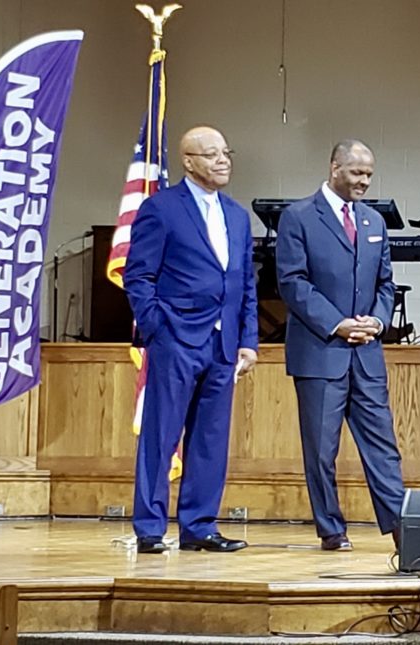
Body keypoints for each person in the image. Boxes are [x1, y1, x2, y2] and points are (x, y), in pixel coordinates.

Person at [123, 125, 258, 554]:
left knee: (210, 441)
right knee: (161, 436)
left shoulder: (236, 215)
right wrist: (157, 328)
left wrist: (248, 340)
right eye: (212, 154)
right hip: (176, 339)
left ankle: (199, 527)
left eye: (226, 152)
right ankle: (149, 528)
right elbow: (138, 275)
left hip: (223, 343)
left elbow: (244, 284)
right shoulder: (161, 208)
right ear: (188, 161)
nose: (223, 161)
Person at [275, 139, 404, 551]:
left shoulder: (374, 222)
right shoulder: (298, 217)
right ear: (335, 167)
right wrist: (337, 324)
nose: (365, 181)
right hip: (320, 352)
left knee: (383, 446)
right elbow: (292, 282)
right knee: (321, 450)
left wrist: (378, 321)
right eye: (357, 173)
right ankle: (332, 529)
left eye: (369, 174)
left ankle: (402, 527)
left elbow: (386, 283)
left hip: (366, 355)